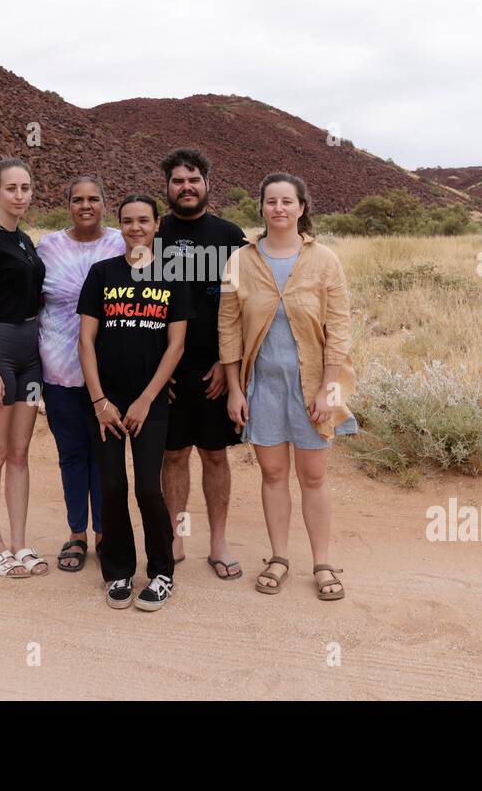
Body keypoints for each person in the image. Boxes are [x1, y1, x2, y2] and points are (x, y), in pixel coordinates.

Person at [219, 173, 358, 601]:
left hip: (314, 385)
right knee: (273, 473)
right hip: (261, 385)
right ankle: (278, 557)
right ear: (261, 208)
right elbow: (228, 328)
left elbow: (339, 328)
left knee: (313, 477)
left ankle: (321, 562)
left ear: (301, 208)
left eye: (287, 201)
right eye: (271, 201)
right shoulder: (240, 261)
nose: (279, 208)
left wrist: (328, 389)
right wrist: (234, 389)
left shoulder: (326, 261)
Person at [77, 194, 193, 611]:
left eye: (144, 220)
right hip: (106, 402)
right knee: (111, 486)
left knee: (147, 487)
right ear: (119, 225)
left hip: (150, 402)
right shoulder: (102, 273)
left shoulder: (172, 276)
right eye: (127, 221)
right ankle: (119, 570)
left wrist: (146, 399)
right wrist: (99, 400)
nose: (135, 228)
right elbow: (85, 341)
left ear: (157, 224)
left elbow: (176, 345)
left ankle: (161, 572)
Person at [155, 148, 249, 580]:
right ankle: (173, 538)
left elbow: (248, 308)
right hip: (167, 371)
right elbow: (140, 306)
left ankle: (218, 542)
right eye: (178, 181)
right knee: (173, 455)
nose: (186, 187)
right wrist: (157, 369)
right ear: (167, 187)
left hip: (216, 368)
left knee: (214, 455)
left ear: (207, 183)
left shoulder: (231, 236)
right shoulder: (153, 236)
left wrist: (227, 366)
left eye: (193, 179)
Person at [35, 176, 123, 572]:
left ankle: (105, 532)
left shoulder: (122, 243)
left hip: (110, 376)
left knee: (105, 457)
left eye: (93, 199)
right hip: (58, 370)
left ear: (105, 203)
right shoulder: (48, 246)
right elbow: (32, 301)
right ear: (67, 203)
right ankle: (77, 533)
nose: (85, 205)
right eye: (77, 199)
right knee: (71, 454)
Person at [0, 158, 49, 579]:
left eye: (26, 188)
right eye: (11, 188)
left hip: (31, 358)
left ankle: (19, 542)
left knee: (20, 453)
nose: (20, 195)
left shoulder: (26, 242)